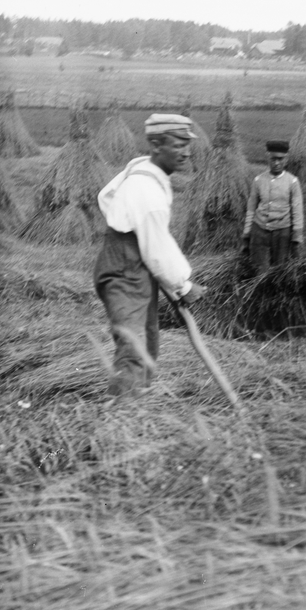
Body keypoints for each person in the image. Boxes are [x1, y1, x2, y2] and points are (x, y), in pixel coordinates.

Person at [94, 114, 208, 399]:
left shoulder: (140, 167)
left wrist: (125, 222)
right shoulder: (148, 193)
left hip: (135, 266)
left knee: (148, 339)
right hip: (124, 271)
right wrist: (183, 285)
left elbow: (105, 196)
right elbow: (158, 251)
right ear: (156, 145)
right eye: (178, 144)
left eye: (187, 144)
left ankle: (139, 402)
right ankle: (120, 414)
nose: (186, 151)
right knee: (133, 345)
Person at [242, 139, 304, 271]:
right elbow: (251, 209)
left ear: (286, 160)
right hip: (260, 230)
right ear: (267, 158)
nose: (276, 163)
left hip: (282, 232)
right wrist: (247, 233)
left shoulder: (292, 182)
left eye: (280, 159)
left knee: (279, 270)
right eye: (273, 159)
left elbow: (297, 211)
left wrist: (297, 236)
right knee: (258, 269)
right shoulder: (258, 180)